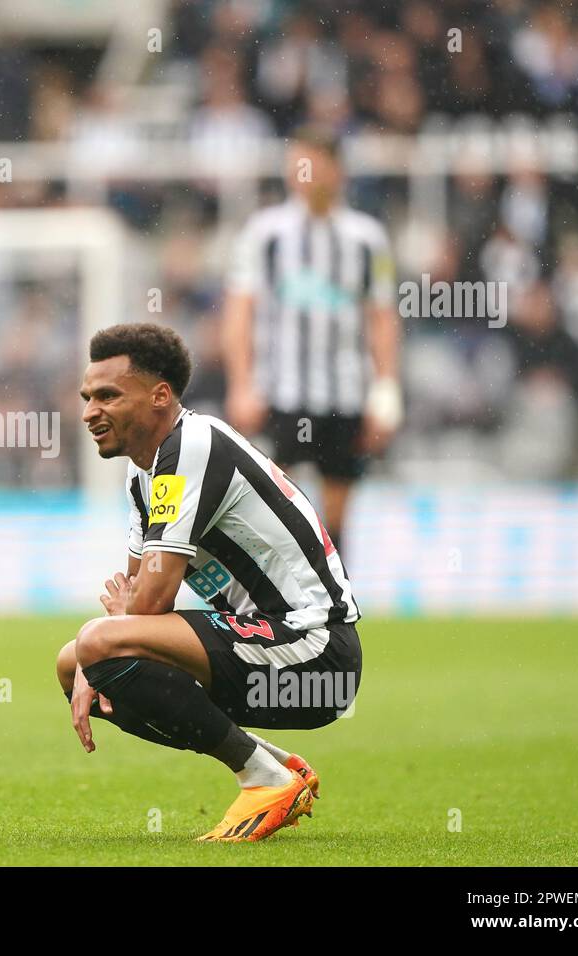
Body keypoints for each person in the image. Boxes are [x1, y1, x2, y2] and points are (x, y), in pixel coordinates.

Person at [57, 323, 361, 842]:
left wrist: (109, 640)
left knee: (96, 644)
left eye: (108, 395)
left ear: (159, 396)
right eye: (87, 397)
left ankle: (262, 779)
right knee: (72, 661)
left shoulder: (194, 444)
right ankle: (275, 764)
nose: (89, 412)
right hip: (271, 657)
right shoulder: (142, 477)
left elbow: (145, 602)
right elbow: (139, 600)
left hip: (318, 656)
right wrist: (99, 653)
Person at [222, 125, 402, 562]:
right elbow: (239, 313)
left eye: (312, 166)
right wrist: (241, 385)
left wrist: (386, 388)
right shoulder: (264, 234)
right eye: (296, 166)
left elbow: (381, 317)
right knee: (272, 511)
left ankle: (335, 613)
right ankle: (277, 613)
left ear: (337, 171)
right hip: (280, 391)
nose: (302, 176)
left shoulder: (366, 238)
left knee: (338, 515)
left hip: (344, 392)